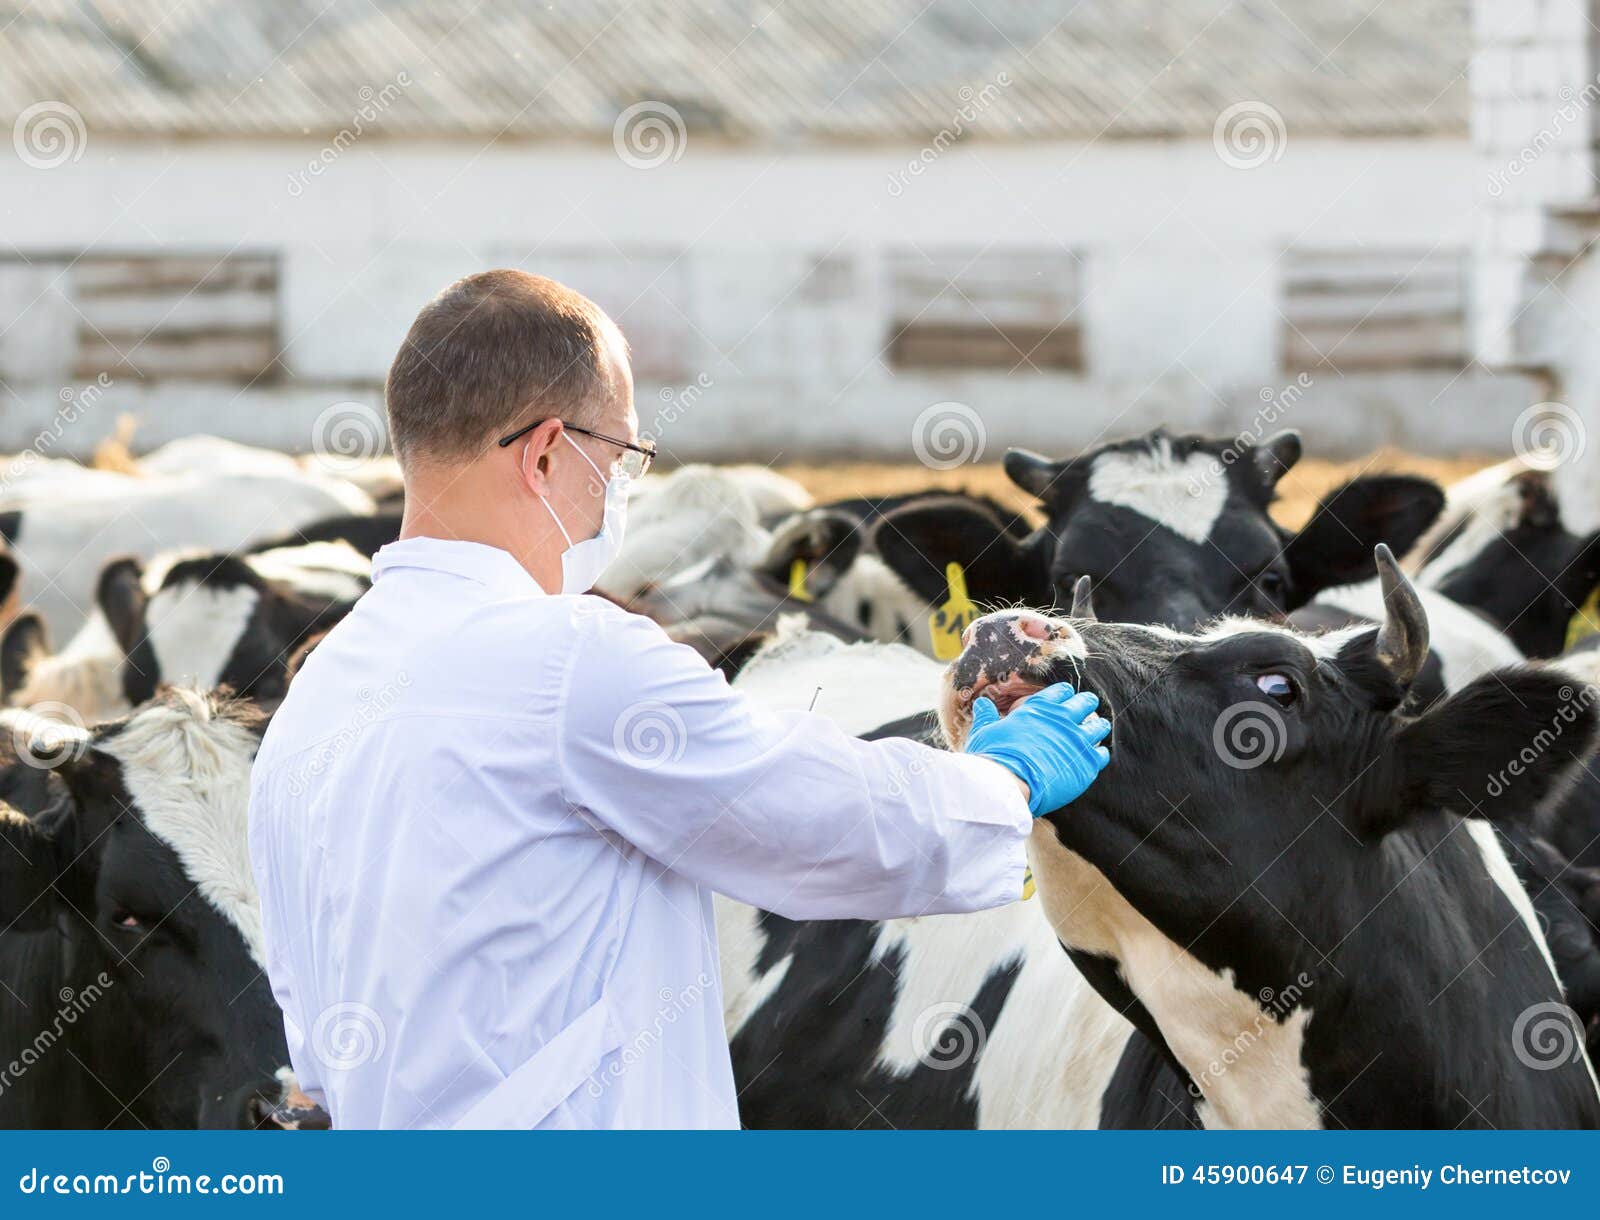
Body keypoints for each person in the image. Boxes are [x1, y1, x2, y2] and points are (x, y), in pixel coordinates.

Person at [247, 270, 1111, 1129]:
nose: (624, 488)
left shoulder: (318, 697)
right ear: (548, 453)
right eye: (622, 457)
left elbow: (316, 1049)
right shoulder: (565, 662)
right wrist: (1002, 780)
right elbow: (818, 816)